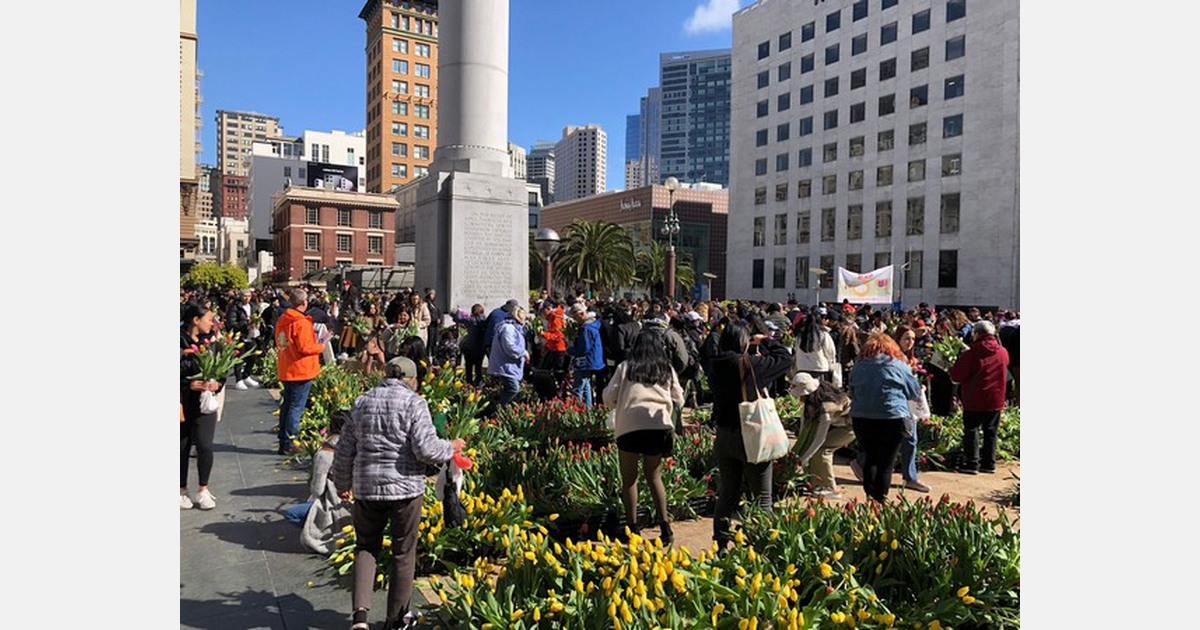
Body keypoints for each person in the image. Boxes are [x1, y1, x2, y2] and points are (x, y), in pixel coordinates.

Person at [333, 357, 466, 630]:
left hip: (367, 488)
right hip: (405, 490)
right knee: (403, 552)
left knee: (365, 546)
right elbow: (426, 450)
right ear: (412, 380)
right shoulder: (414, 403)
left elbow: (345, 448)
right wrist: (451, 446)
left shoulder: (362, 402)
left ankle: (360, 618)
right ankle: (396, 620)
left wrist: (342, 484)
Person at [708, 322, 792, 547]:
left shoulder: (715, 363)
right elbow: (785, 358)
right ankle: (761, 547)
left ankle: (720, 546)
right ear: (743, 342)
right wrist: (765, 340)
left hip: (724, 436)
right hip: (752, 436)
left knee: (727, 493)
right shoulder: (748, 364)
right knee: (762, 496)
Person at [603, 330, 684, 544]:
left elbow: (609, 396)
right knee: (654, 476)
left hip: (630, 425)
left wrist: (618, 405)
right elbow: (679, 397)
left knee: (629, 479)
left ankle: (631, 529)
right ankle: (665, 527)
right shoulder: (665, 368)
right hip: (658, 426)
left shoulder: (625, 367)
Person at [847, 332, 924, 503]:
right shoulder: (899, 365)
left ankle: (870, 498)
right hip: (893, 416)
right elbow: (914, 392)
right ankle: (880, 499)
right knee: (886, 463)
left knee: (869, 458)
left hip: (862, 417)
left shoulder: (858, 366)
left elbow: (851, 391)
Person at [949, 321, 1011, 475]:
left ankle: (972, 463)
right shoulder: (1003, 352)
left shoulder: (971, 353)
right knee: (991, 431)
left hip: (974, 398)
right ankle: (989, 463)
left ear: (976, 334)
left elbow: (956, 376)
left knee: (972, 430)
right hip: (995, 398)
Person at [180, 302, 225, 510]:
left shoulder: (213, 343)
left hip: (205, 403)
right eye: (209, 319)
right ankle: (181, 490)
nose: (212, 323)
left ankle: (203, 489)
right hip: (183, 402)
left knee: (205, 446)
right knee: (182, 446)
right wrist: (188, 384)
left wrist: (217, 384)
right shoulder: (180, 343)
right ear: (196, 321)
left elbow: (222, 371)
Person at [275, 288, 330, 455]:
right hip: (301, 369)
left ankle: (284, 441)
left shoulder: (283, 320)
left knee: (287, 405)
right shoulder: (301, 322)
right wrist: (320, 346)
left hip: (287, 367)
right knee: (296, 407)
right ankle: (291, 442)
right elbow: (306, 347)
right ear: (304, 303)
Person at [789, 373, 855, 499]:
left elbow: (820, 439)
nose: (799, 398)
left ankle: (829, 488)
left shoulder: (826, 407)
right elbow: (804, 426)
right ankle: (814, 482)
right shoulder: (815, 398)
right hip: (837, 424)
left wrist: (803, 459)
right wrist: (798, 451)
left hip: (850, 427)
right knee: (811, 450)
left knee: (822, 450)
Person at [885, 325, 931, 493]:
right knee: (900, 439)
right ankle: (910, 477)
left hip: (908, 405)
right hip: (897, 404)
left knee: (906, 439)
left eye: (912, 339)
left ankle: (910, 476)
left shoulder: (909, 358)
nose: (910, 342)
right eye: (907, 338)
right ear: (897, 339)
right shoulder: (892, 358)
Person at [299, 409, 352, 555]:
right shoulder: (359, 445)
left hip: (338, 503)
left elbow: (317, 490)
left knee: (293, 514)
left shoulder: (326, 452)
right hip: (362, 503)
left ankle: (322, 537)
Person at [489, 305, 529, 407]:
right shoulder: (509, 328)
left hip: (508, 366)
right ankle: (497, 409)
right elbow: (509, 347)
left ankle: (500, 408)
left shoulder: (512, 328)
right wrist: (523, 353)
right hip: (505, 366)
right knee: (513, 389)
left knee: (510, 389)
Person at [567, 303, 604, 409]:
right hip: (593, 359)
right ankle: (588, 408)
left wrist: (570, 350)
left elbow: (584, 348)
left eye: (575, 317)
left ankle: (577, 409)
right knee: (586, 385)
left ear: (582, 314)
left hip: (585, 360)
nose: (574, 320)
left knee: (578, 387)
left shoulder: (586, 328)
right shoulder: (593, 324)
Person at [791, 306, 839, 385]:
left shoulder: (801, 335)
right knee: (819, 390)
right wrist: (831, 362)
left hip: (803, 366)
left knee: (806, 389)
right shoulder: (823, 334)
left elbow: (796, 349)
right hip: (819, 367)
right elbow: (830, 351)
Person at [226, 290, 260, 390]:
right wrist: (245, 323)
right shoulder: (235, 307)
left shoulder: (253, 306)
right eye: (245, 296)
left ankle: (246, 375)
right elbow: (231, 322)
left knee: (253, 356)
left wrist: (257, 323)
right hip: (240, 335)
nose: (247, 298)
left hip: (252, 334)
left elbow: (258, 316)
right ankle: (239, 380)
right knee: (239, 357)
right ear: (240, 296)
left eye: (249, 296)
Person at [453, 304, 488, 386]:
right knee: (478, 367)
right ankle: (478, 383)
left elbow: (458, 318)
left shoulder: (471, 320)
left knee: (469, 367)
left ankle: (469, 384)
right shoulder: (486, 320)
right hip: (481, 347)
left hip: (470, 347)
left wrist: (459, 311)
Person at [424, 289, 442, 354]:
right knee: (430, 341)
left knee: (435, 341)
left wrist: (439, 319)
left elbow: (438, 312)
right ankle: (428, 354)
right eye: (431, 294)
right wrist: (434, 319)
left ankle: (434, 355)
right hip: (430, 325)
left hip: (435, 325)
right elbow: (428, 314)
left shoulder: (434, 304)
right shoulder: (426, 303)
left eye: (434, 294)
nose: (433, 296)